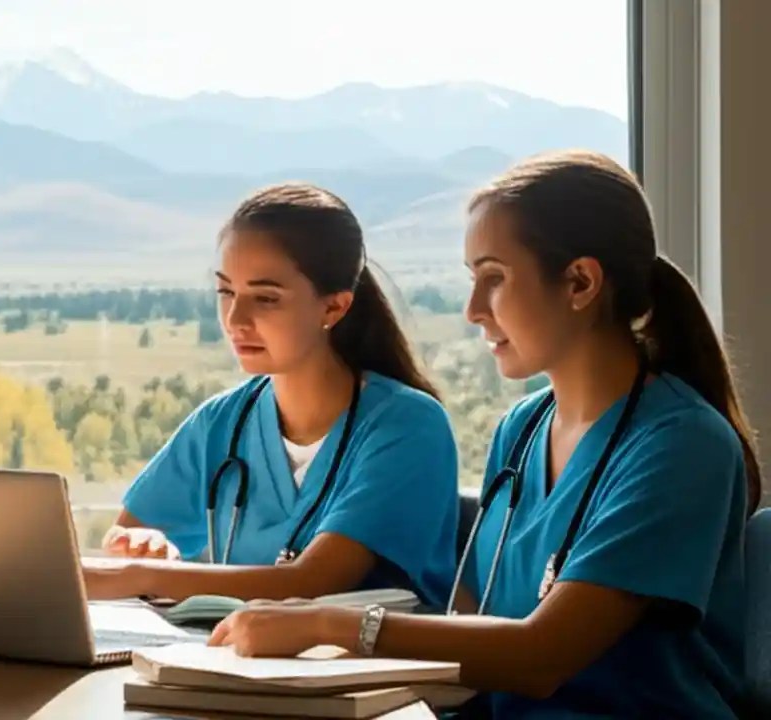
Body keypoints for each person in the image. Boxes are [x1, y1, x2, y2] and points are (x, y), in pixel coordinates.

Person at [209, 151, 761, 718]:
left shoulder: (680, 445)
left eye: (494, 278)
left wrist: (327, 623)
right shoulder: (520, 431)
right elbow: (466, 633)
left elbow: (540, 657)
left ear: (580, 281)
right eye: (472, 280)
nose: (473, 310)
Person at [82, 183, 460, 609]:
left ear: (334, 308)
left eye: (265, 298)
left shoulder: (407, 427)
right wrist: (141, 547)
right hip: (232, 664)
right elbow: (123, 543)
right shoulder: (221, 424)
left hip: (372, 674)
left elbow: (314, 582)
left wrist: (143, 575)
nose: (235, 319)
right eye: (226, 292)